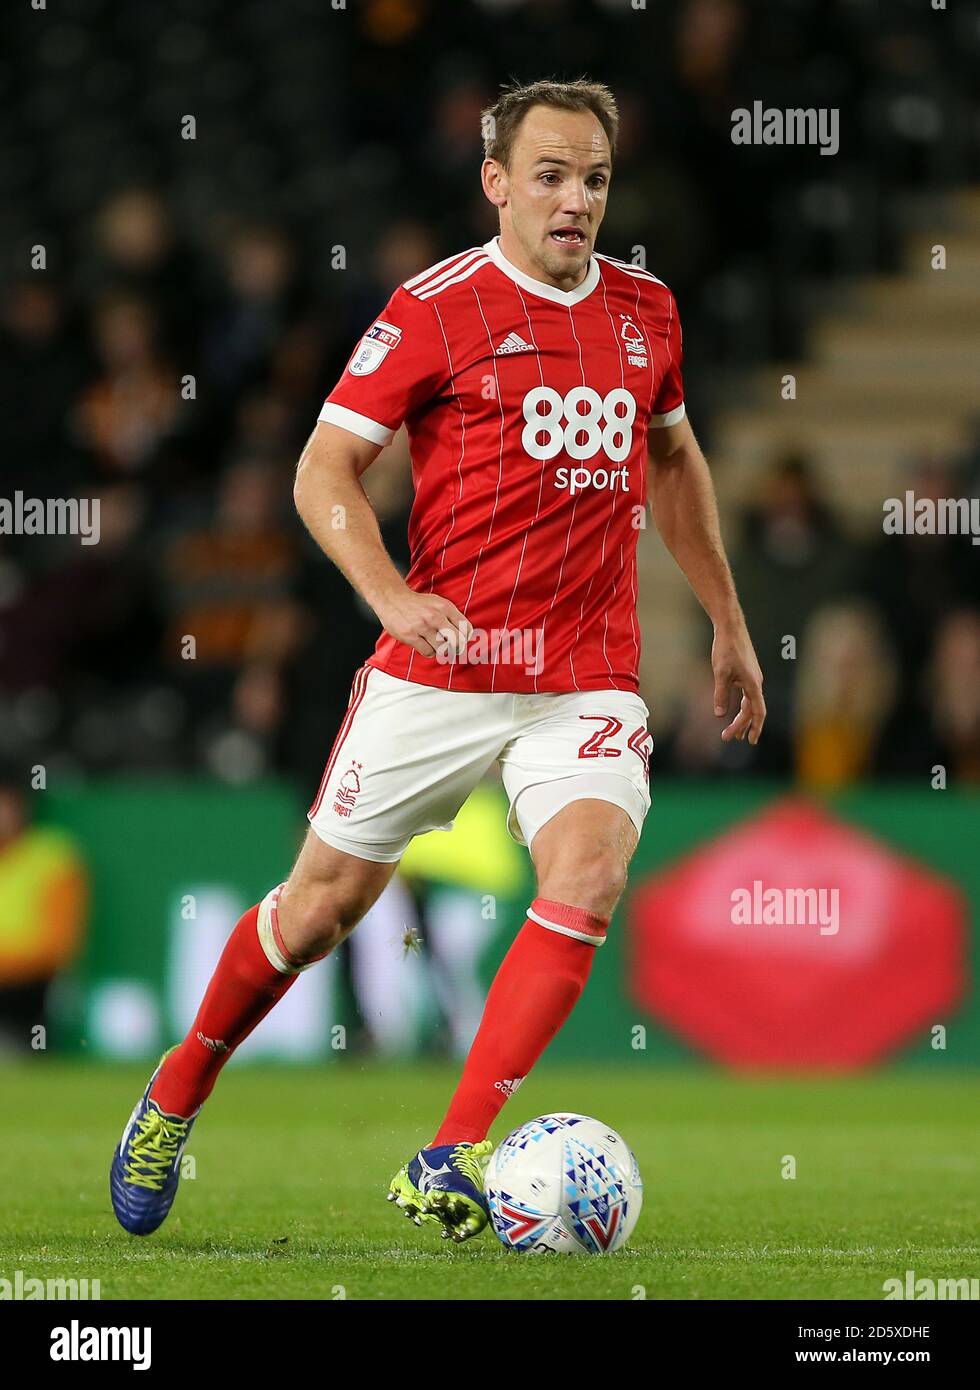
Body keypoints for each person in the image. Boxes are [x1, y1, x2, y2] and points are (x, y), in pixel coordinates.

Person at [110, 77, 765, 1242]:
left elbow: (672, 460)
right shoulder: (432, 309)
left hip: (583, 671)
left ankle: (450, 1150)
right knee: (316, 912)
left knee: (589, 873)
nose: (575, 202)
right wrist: (392, 596)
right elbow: (321, 475)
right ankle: (174, 1090)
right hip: (442, 669)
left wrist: (723, 618)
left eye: (595, 179)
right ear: (496, 184)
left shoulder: (644, 312)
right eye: (551, 176)